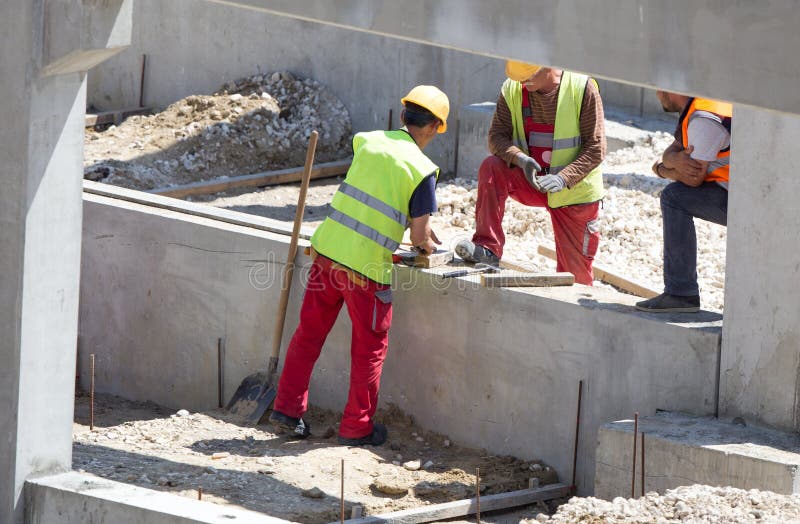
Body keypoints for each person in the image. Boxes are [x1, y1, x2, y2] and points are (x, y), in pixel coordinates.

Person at [268, 86, 449, 446]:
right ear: (434, 128)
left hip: (327, 253)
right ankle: (356, 427)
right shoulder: (422, 169)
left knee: (308, 334)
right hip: (365, 271)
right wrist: (428, 243)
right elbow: (419, 237)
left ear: (402, 117)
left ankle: (287, 410)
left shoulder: (368, 141)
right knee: (369, 349)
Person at [455, 60, 606, 285]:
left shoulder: (582, 89)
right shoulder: (513, 88)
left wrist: (563, 178)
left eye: (528, 76)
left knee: (575, 279)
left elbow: (596, 148)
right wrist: (521, 159)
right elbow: (496, 138)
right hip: (532, 181)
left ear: (547, 65)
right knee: (492, 166)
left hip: (574, 195)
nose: (523, 82)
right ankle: (488, 249)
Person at [635, 91, 732, 313]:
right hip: (739, 191)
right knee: (675, 193)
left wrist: (661, 169)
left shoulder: (703, 120)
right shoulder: (702, 104)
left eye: (658, 89)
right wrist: (672, 161)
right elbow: (671, 152)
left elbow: (692, 178)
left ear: (672, 90)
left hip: (746, 201)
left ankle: (681, 294)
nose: (657, 94)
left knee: (674, 197)